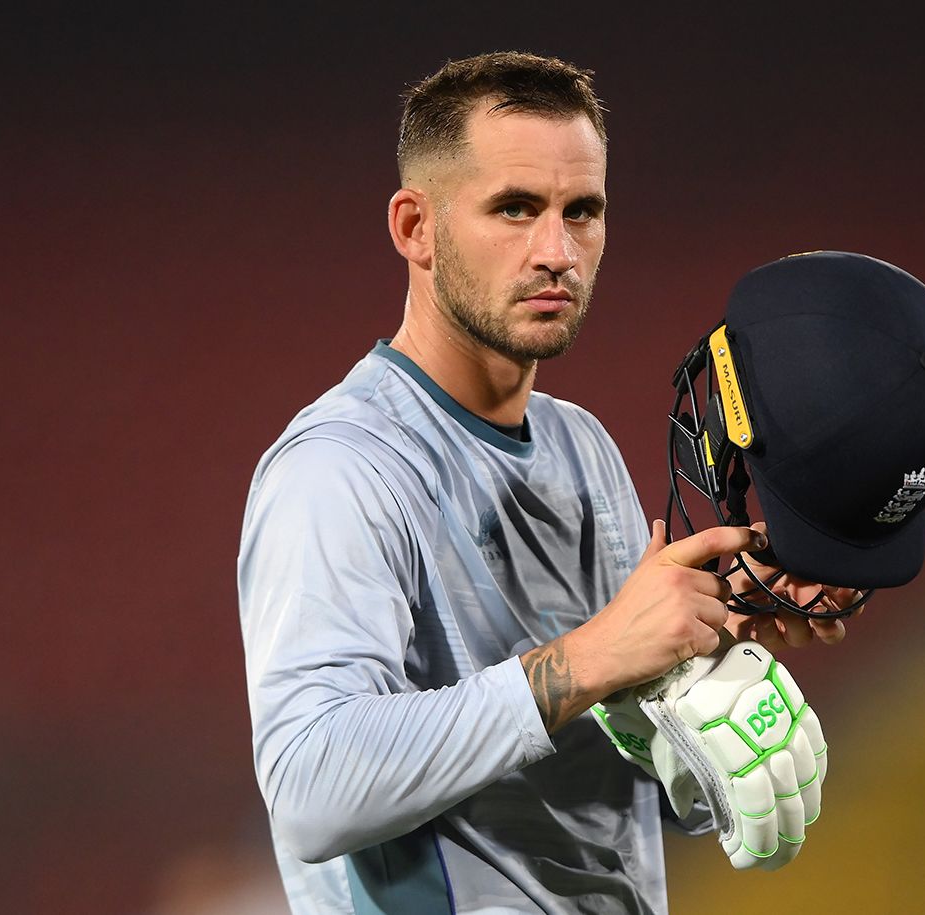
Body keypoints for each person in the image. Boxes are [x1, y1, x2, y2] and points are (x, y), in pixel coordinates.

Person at [237, 51, 849, 915]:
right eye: (515, 208)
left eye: (582, 211)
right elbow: (311, 786)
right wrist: (596, 655)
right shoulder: (340, 467)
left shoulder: (581, 446)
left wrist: (694, 653)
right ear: (415, 227)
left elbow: (601, 793)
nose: (558, 252)